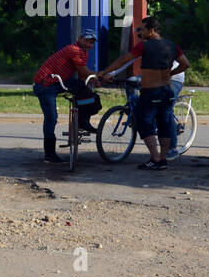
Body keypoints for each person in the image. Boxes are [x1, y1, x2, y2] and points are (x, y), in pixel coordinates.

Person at [100, 16, 189, 170]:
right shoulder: (172, 46)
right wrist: (171, 73)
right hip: (166, 91)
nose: (140, 32)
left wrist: (105, 71)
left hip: (151, 92)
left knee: (143, 123)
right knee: (164, 124)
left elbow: (124, 60)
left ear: (151, 30)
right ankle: (162, 160)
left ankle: (154, 158)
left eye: (142, 29)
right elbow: (185, 64)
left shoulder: (144, 46)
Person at [32, 30, 102, 164]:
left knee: (90, 97)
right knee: (51, 118)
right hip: (46, 83)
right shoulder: (74, 50)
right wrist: (98, 76)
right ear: (80, 39)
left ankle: (82, 120)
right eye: (87, 41)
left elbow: (83, 77)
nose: (89, 44)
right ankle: (49, 154)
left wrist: (90, 82)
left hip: (58, 82)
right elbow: (84, 71)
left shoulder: (83, 53)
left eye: (92, 43)